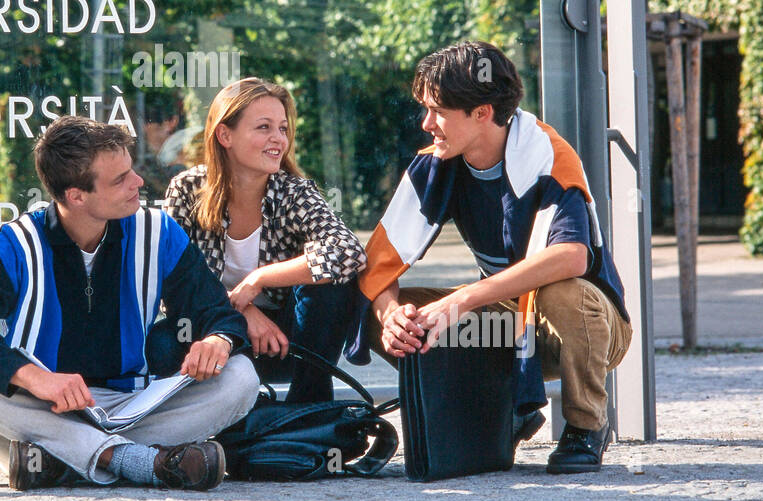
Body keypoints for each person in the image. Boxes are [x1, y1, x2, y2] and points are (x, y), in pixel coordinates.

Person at [0, 116, 259, 491]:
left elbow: (216, 312)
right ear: (76, 195)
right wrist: (37, 379)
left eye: (131, 170)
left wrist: (218, 339)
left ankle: (61, 462)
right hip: (44, 407)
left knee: (240, 378)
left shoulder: (159, 232)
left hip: (134, 406)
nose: (138, 182)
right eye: (120, 179)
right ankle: (138, 461)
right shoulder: (17, 243)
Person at [357, 41, 632, 473]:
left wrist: (462, 299)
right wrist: (391, 314)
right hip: (506, 323)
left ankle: (585, 427)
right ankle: (497, 411)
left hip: (584, 324)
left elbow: (572, 256)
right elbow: (377, 263)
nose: (426, 123)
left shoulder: (549, 155)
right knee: (392, 314)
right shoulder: (436, 163)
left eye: (438, 110)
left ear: (482, 112)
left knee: (563, 291)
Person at [163, 77, 365, 404]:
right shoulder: (187, 189)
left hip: (284, 344)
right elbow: (170, 280)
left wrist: (258, 279)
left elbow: (348, 252)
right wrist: (239, 311)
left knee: (332, 284)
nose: (278, 139)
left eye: (283, 129)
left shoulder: (294, 192)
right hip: (209, 334)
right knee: (158, 346)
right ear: (225, 135)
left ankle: (307, 410)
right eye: (264, 127)